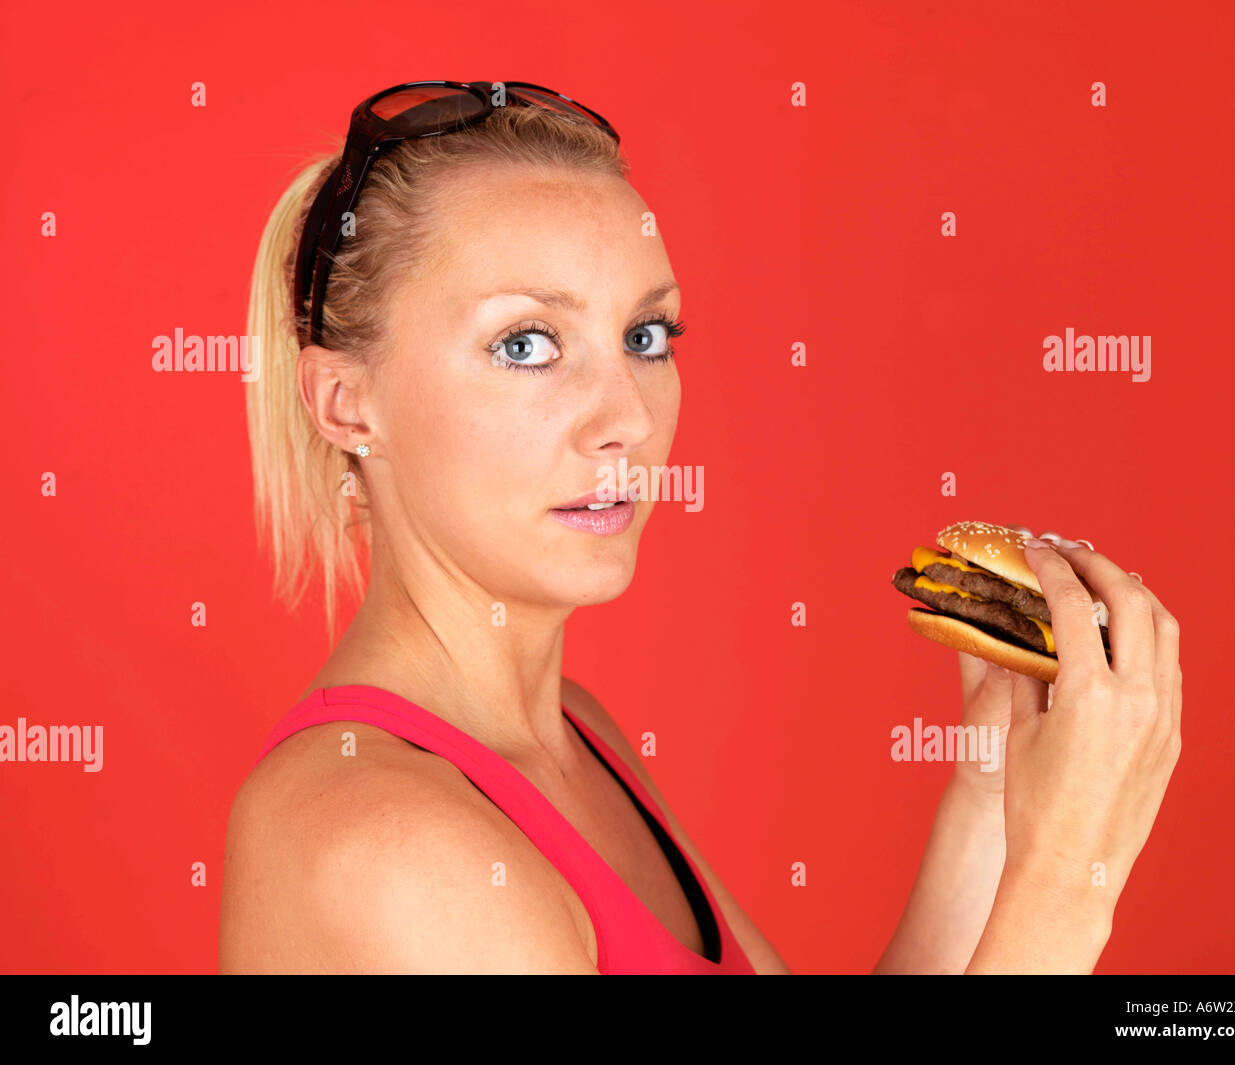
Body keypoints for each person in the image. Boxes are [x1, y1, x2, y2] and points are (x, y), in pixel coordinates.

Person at [218, 82, 1181, 975]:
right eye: (526, 344)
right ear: (346, 405)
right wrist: (1065, 882)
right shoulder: (378, 839)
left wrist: (990, 794)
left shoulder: (575, 733)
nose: (627, 417)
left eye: (646, 337)